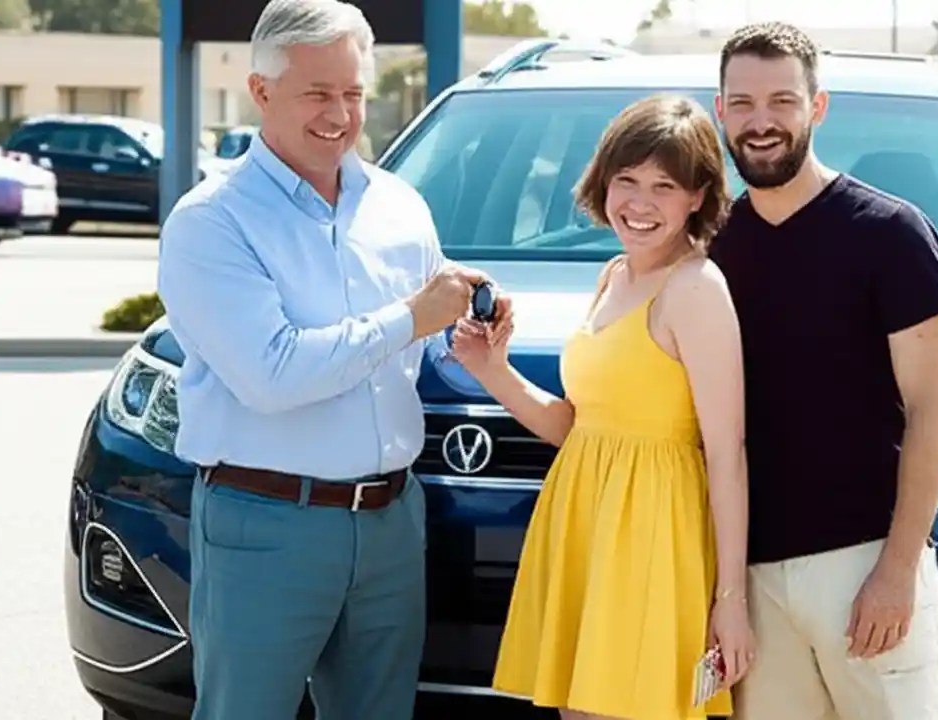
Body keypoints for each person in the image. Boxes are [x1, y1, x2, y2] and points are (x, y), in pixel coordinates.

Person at [155, 1, 511, 718]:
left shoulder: (400, 206)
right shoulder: (211, 221)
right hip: (266, 522)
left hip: (390, 523)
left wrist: (473, 324)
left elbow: (425, 340)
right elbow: (273, 374)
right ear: (260, 91)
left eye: (353, 92)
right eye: (318, 93)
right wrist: (411, 317)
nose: (341, 115)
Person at [451, 94, 755, 720]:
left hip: (654, 536)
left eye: (664, 186)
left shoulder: (696, 288)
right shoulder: (614, 274)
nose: (640, 204)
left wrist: (730, 599)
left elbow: (727, 455)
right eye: (628, 180)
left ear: (697, 197)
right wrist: (491, 369)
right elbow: (576, 426)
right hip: (586, 523)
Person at [707, 21, 938, 720]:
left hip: (867, 566)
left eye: (782, 102)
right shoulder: (713, 249)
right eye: (742, 103)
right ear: (721, 110)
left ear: (817, 107)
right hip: (753, 583)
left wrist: (898, 571)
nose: (761, 122)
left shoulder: (891, 235)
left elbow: (933, 414)